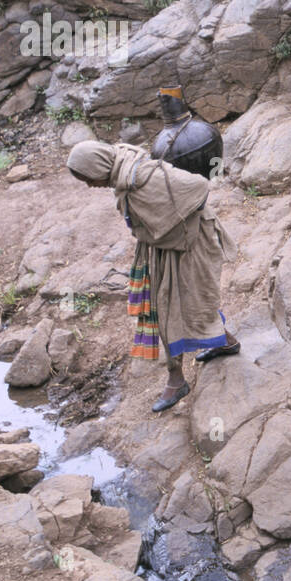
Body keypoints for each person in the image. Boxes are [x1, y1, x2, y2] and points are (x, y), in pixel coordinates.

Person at [66, 140, 240, 413]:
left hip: (188, 244)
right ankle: (224, 341)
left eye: (88, 179)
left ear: (98, 167)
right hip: (163, 248)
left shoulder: (143, 177)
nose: (90, 186)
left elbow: (198, 187)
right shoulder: (124, 174)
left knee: (173, 306)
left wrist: (169, 224)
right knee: (177, 304)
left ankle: (177, 380)